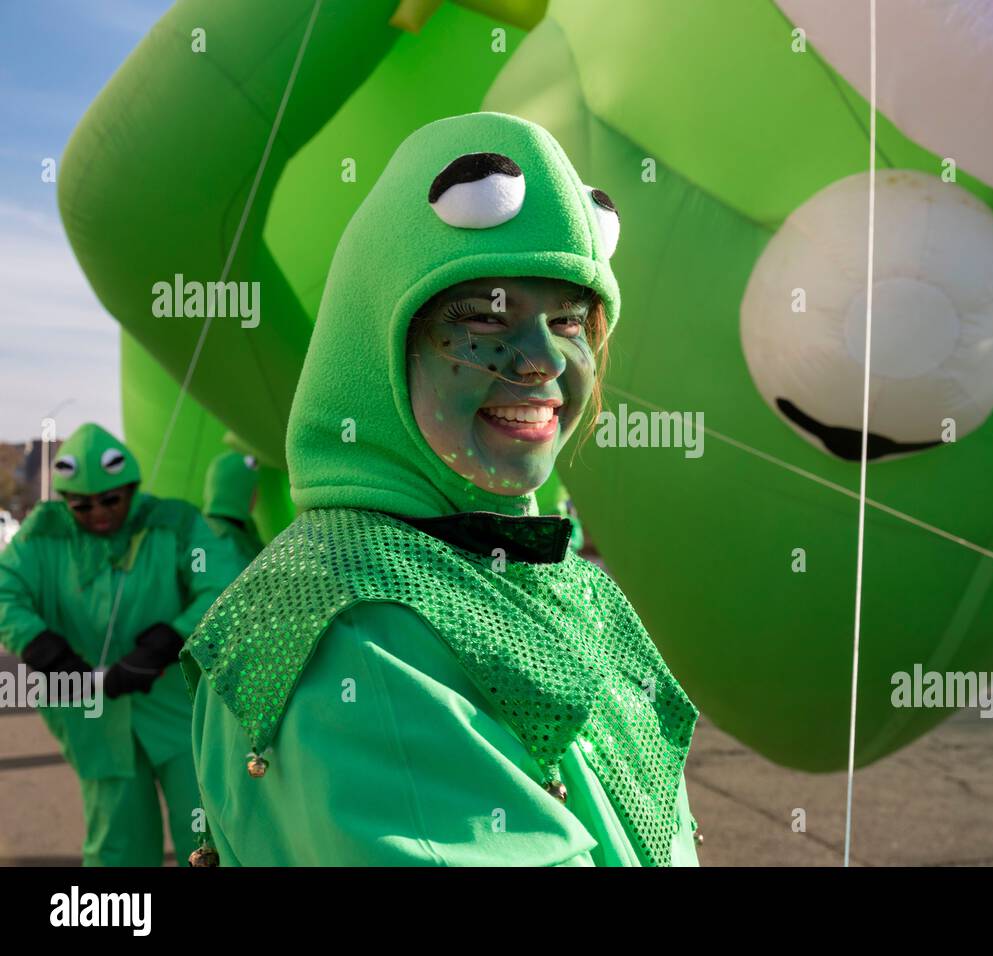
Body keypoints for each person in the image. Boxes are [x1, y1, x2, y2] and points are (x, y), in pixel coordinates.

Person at [183, 111, 701, 866]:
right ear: (379, 343)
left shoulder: (541, 571)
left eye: (569, 319)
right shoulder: (356, 624)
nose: (544, 363)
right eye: (488, 318)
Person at [0, 423, 244, 865]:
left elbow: (221, 584)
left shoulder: (176, 522)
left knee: (209, 834)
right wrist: (40, 646)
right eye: (82, 504)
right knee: (118, 844)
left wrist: (170, 639)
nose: (98, 513)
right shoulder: (43, 534)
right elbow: (5, 590)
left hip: (180, 716)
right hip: (93, 720)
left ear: (131, 487)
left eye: (111, 499)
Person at [202, 451, 263, 565]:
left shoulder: (196, 532)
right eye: (254, 486)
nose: (258, 494)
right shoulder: (239, 547)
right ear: (243, 490)